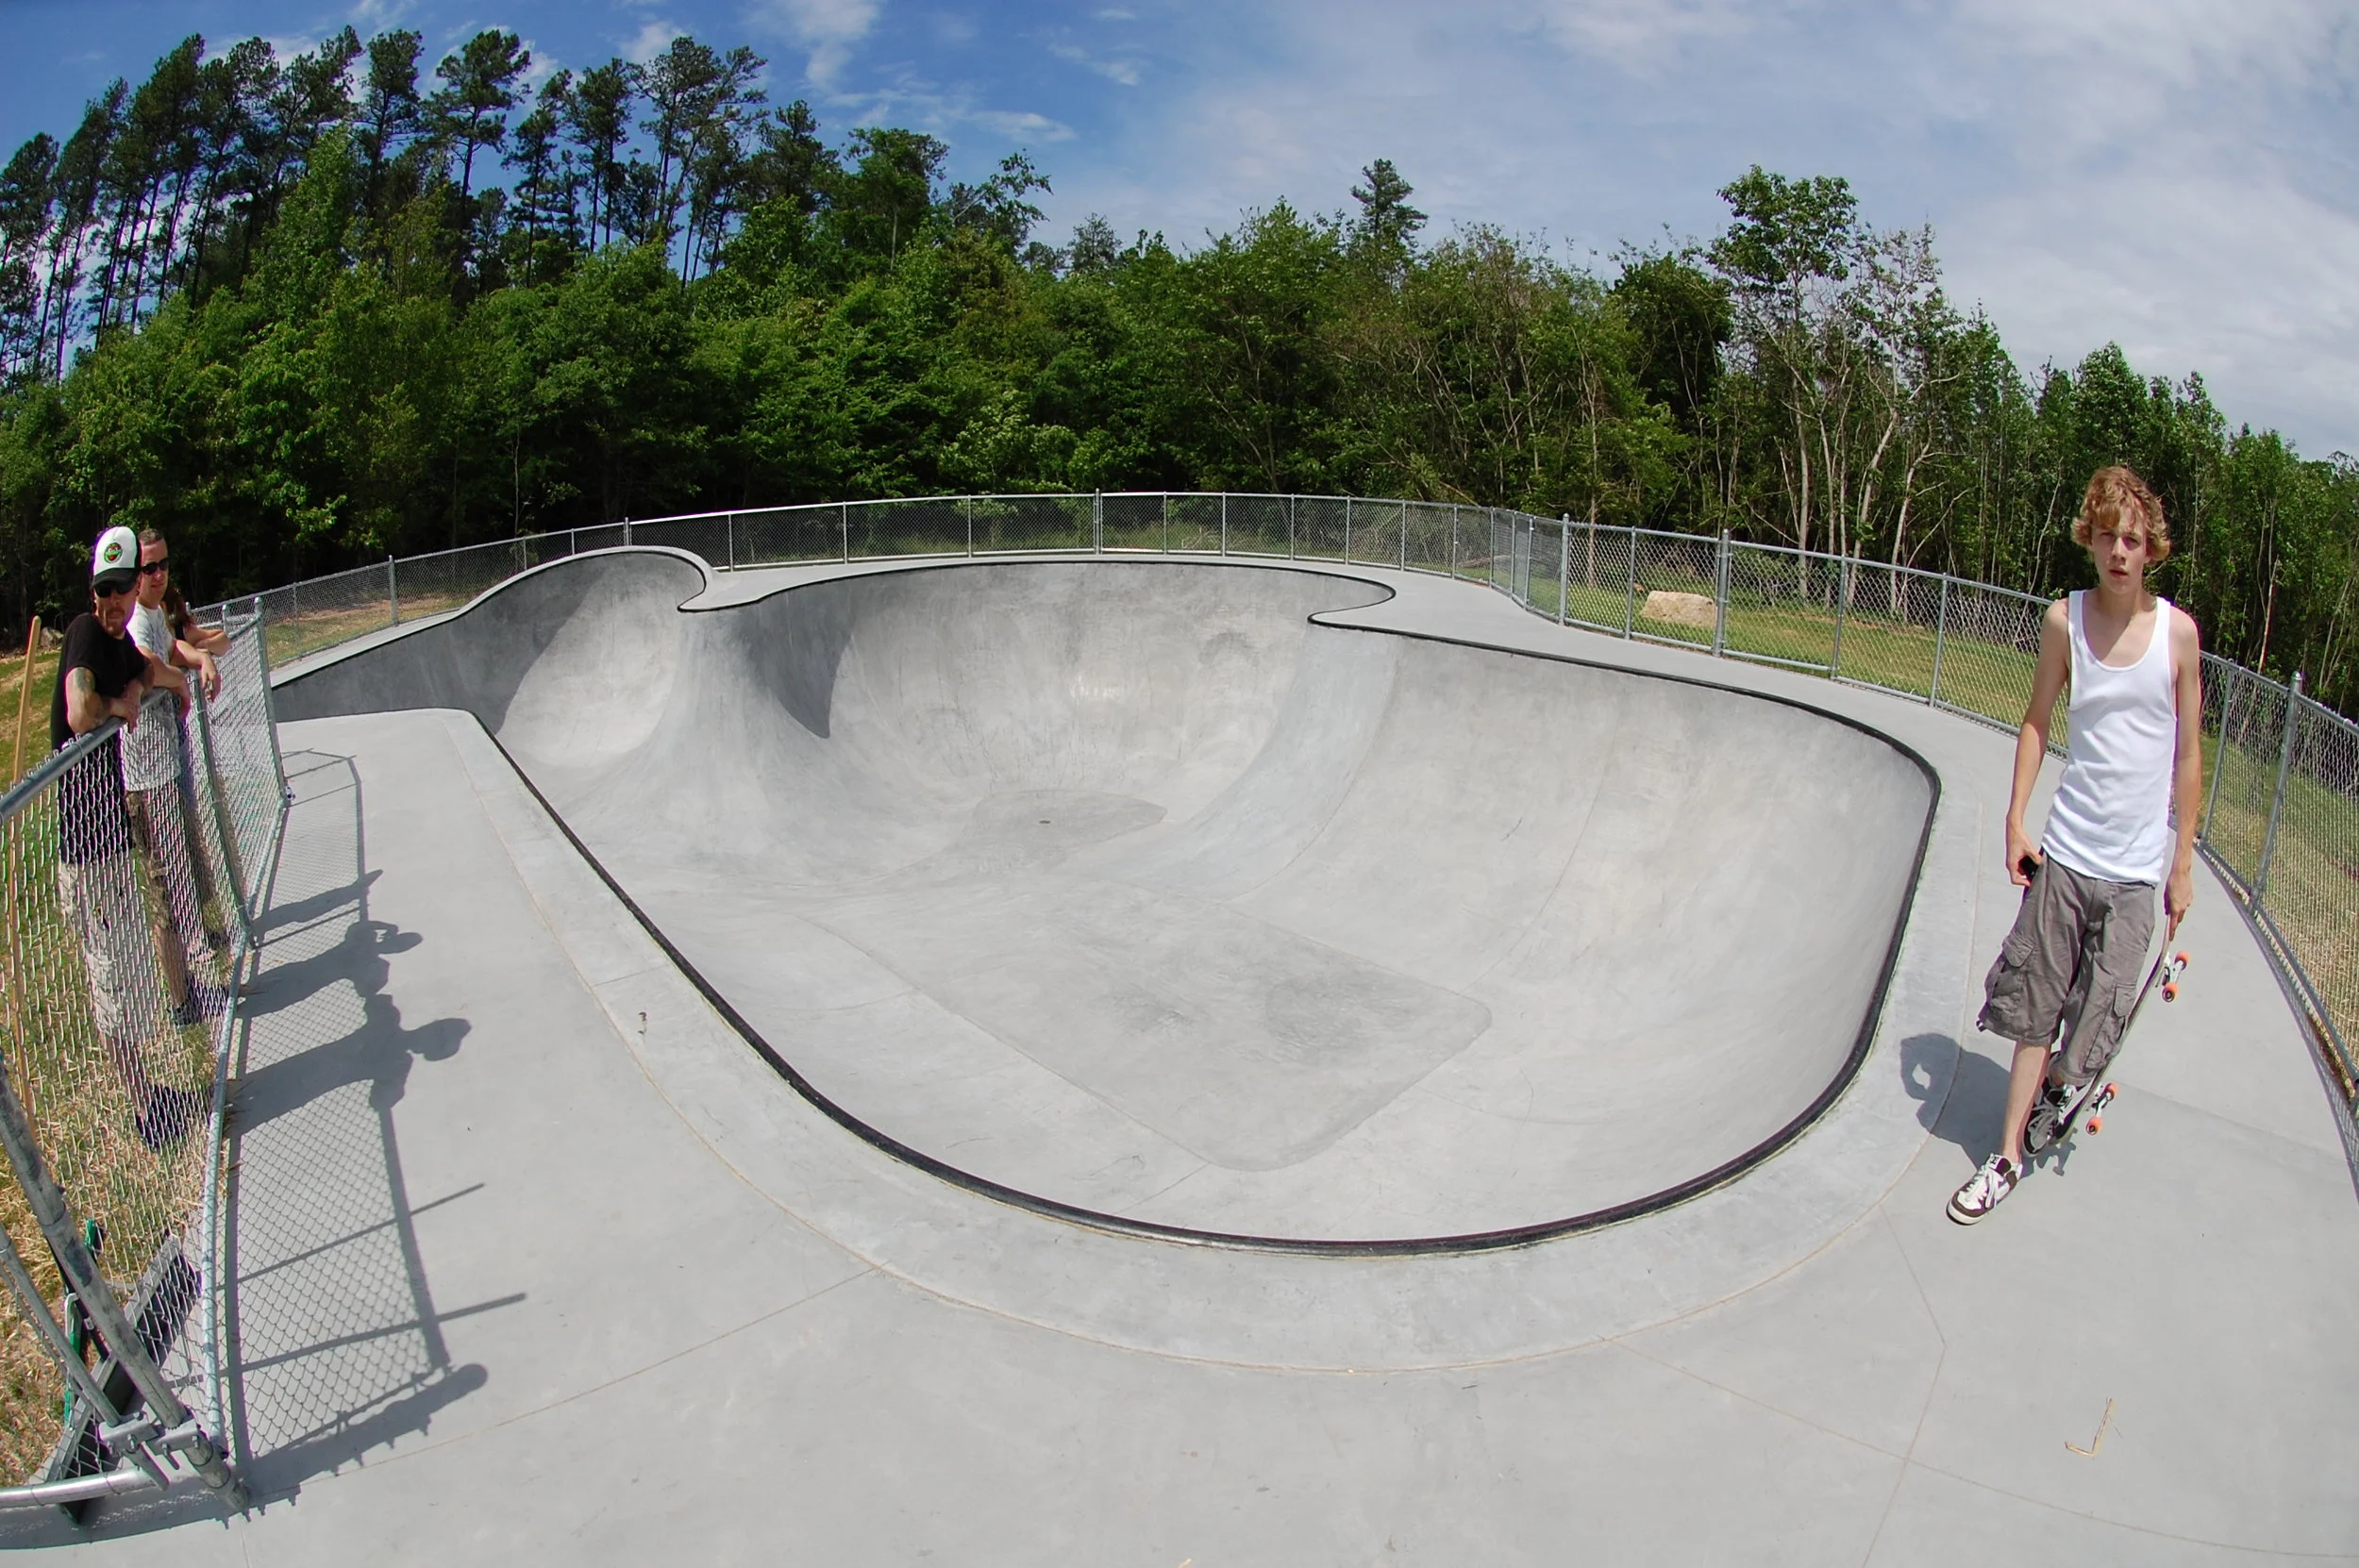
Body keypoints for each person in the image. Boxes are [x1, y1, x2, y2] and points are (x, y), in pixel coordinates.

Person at [1949, 466, 2203, 1224]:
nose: (2118, 551)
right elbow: (2036, 720)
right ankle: (2005, 1158)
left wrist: (2181, 862)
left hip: (2133, 872)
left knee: (2101, 1014)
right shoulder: (2065, 622)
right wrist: (2015, 817)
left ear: (2149, 549)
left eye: (2132, 539)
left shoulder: (2178, 636)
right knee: (2034, 1006)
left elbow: (2189, 754)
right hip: (2065, 855)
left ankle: (2062, 1083)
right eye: (2106, 537)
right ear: (2089, 540)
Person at [52, 525, 199, 1149]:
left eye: (123, 588)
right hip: (82, 848)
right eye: (106, 591)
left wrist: (154, 684)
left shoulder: (119, 648)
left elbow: (159, 673)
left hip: (108, 837)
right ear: (94, 593)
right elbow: (80, 710)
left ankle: (149, 1091)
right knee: (111, 983)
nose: (116, 604)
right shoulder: (87, 635)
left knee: (129, 980)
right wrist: (119, 707)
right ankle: (145, 1110)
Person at [124, 528, 231, 980]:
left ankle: (195, 929)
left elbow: (173, 647)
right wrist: (178, 679)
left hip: (167, 753)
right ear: (134, 572)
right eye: (149, 568)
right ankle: (188, 940)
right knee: (168, 855)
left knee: (182, 843)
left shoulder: (153, 611)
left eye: (164, 565)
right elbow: (149, 663)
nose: (159, 574)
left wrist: (200, 661)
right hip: (147, 763)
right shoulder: (133, 617)